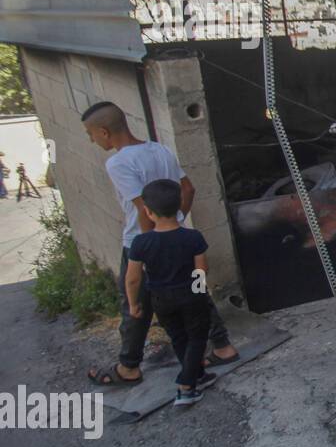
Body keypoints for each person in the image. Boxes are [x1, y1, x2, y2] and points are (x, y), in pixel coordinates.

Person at [80, 101, 240, 387]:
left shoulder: (117, 163)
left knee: (134, 303)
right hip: (177, 239)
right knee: (195, 291)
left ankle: (129, 366)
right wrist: (176, 223)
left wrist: (151, 245)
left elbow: (142, 209)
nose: (91, 139)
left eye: (91, 134)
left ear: (104, 132)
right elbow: (188, 187)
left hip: (142, 244)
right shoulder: (159, 149)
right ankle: (222, 346)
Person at [125, 179, 216, 406]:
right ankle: (186, 386)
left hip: (160, 299)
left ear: (148, 212)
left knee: (178, 337)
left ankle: (196, 374)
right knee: (197, 338)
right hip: (190, 295)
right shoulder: (193, 236)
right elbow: (201, 268)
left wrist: (133, 304)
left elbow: (133, 277)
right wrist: (199, 292)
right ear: (178, 207)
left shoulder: (140, 242)